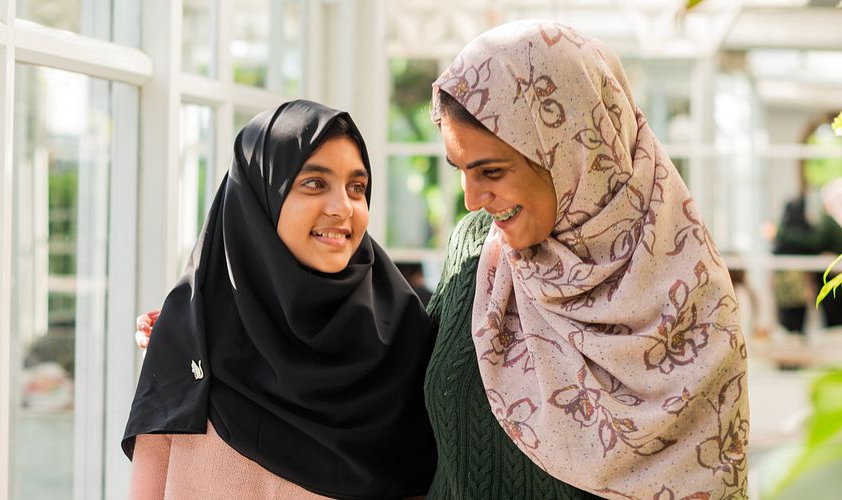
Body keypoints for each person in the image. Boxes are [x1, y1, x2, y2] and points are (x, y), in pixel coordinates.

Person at [424, 20, 748, 499]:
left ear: (571, 149)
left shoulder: (690, 293)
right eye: (460, 171)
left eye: (490, 171)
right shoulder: (474, 250)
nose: (472, 200)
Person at [123, 100, 437, 499]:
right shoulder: (189, 342)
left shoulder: (405, 339)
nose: (343, 207)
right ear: (259, 199)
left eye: (357, 188)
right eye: (315, 183)